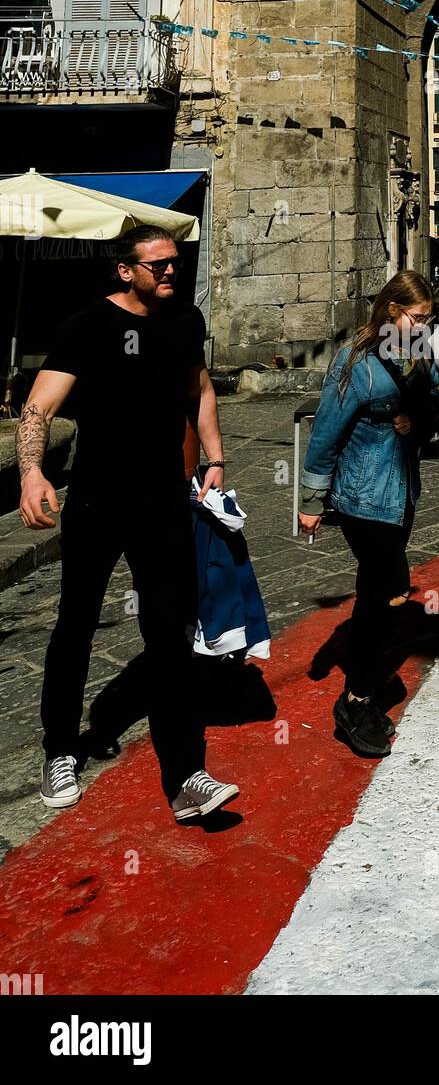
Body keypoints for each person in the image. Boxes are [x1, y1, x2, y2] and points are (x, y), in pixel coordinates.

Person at [17, 226, 239, 822]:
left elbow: (200, 390)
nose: (172, 271)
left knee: (170, 638)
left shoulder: (185, 322)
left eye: (177, 262)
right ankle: (60, 749)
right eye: (160, 264)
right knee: (76, 627)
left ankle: (186, 774)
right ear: (126, 270)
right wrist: (32, 473)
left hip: (164, 502)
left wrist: (215, 457)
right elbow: (37, 407)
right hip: (96, 504)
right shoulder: (87, 327)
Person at [297, 271, 439, 759]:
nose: (422, 325)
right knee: (386, 588)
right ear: (391, 310)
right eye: (416, 317)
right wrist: (311, 500)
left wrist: (415, 421)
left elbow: (432, 413)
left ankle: (367, 681)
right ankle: (355, 699)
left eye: (427, 318)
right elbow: (326, 432)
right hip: (361, 495)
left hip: (401, 491)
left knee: (378, 594)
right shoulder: (354, 360)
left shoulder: (420, 356)